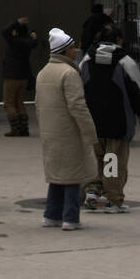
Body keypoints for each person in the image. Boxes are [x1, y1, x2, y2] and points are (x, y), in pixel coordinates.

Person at [80, 22, 140, 212]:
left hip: (93, 121)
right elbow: (138, 91)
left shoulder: (86, 59)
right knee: (113, 160)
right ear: (119, 40)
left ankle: (92, 190)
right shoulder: (125, 61)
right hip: (118, 122)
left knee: (96, 158)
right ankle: (113, 199)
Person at [34, 29, 97, 230]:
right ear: (64, 51)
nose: (75, 51)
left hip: (50, 132)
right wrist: (89, 132)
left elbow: (37, 105)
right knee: (73, 175)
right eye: (71, 48)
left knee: (57, 175)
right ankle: (71, 217)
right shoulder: (69, 73)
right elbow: (78, 106)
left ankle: (51, 215)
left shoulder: (43, 72)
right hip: (69, 132)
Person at [1, 16, 37, 136]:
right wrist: (33, 36)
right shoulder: (28, 42)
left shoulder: (14, 41)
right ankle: (24, 129)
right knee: (19, 102)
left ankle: (15, 129)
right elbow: (34, 41)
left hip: (11, 75)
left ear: (16, 31)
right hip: (23, 76)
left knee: (9, 103)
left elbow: (5, 31)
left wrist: (16, 22)